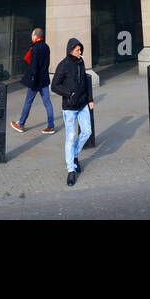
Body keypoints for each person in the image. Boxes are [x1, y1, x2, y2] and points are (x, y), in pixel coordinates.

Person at [49, 38, 94, 186]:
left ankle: (74, 155)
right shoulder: (63, 65)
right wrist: (69, 93)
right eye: (77, 50)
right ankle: (71, 170)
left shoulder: (81, 62)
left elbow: (86, 81)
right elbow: (54, 86)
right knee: (70, 137)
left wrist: (90, 99)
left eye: (80, 49)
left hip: (83, 105)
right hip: (69, 108)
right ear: (70, 50)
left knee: (87, 131)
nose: (80, 52)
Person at [11, 28, 55, 135]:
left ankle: (21, 124)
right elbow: (46, 63)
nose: (31, 37)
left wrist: (32, 80)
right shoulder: (46, 46)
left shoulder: (35, 48)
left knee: (28, 102)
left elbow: (34, 66)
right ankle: (51, 126)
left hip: (36, 81)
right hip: (44, 79)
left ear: (35, 35)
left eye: (32, 35)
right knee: (48, 103)